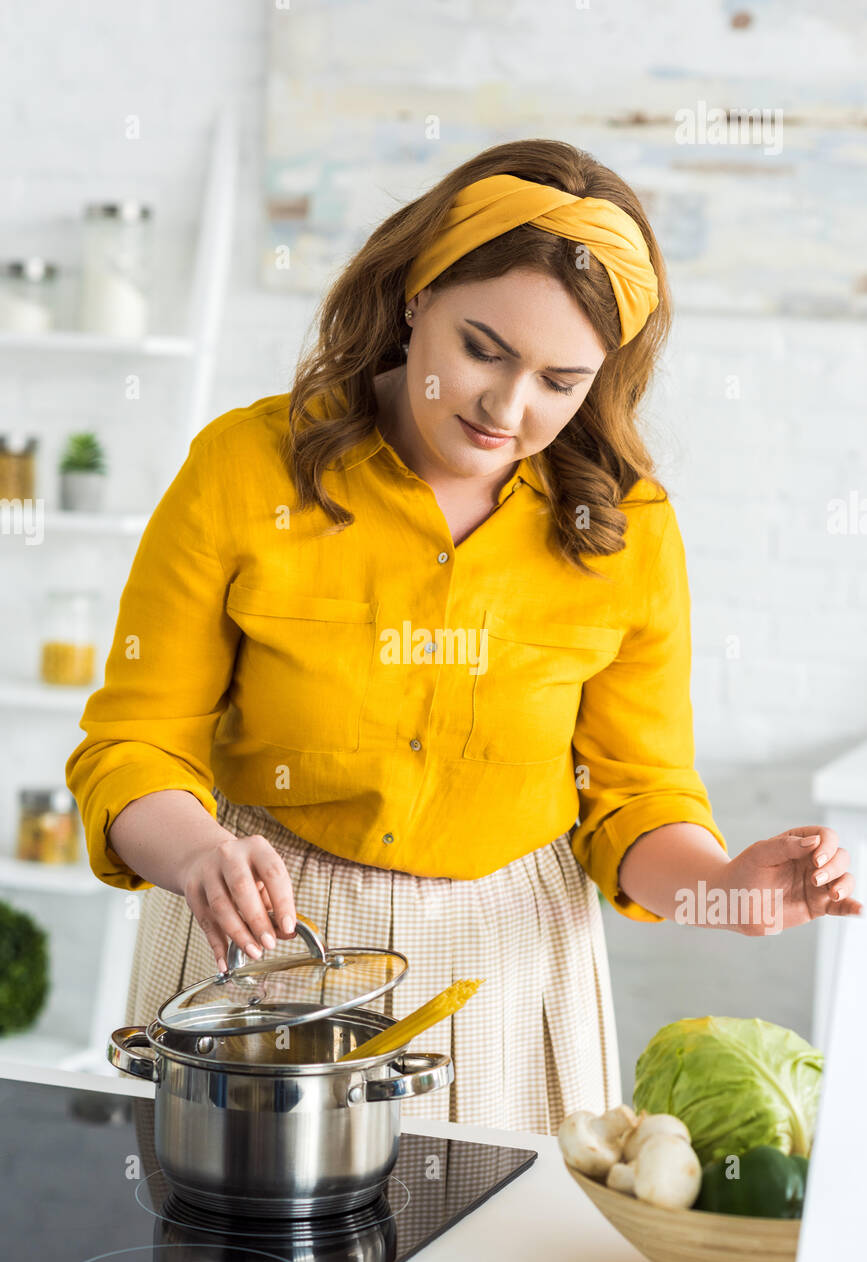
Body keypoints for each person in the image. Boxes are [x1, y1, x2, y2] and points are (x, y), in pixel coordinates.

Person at [66, 139, 861, 1136]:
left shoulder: (627, 525)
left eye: (561, 380)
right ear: (414, 297)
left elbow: (634, 796)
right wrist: (195, 854)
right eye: (482, 349)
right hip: (265, 947)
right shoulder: (243, 468)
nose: (507, 407)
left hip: (510, 966)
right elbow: (133, 743)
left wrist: (721, 892)